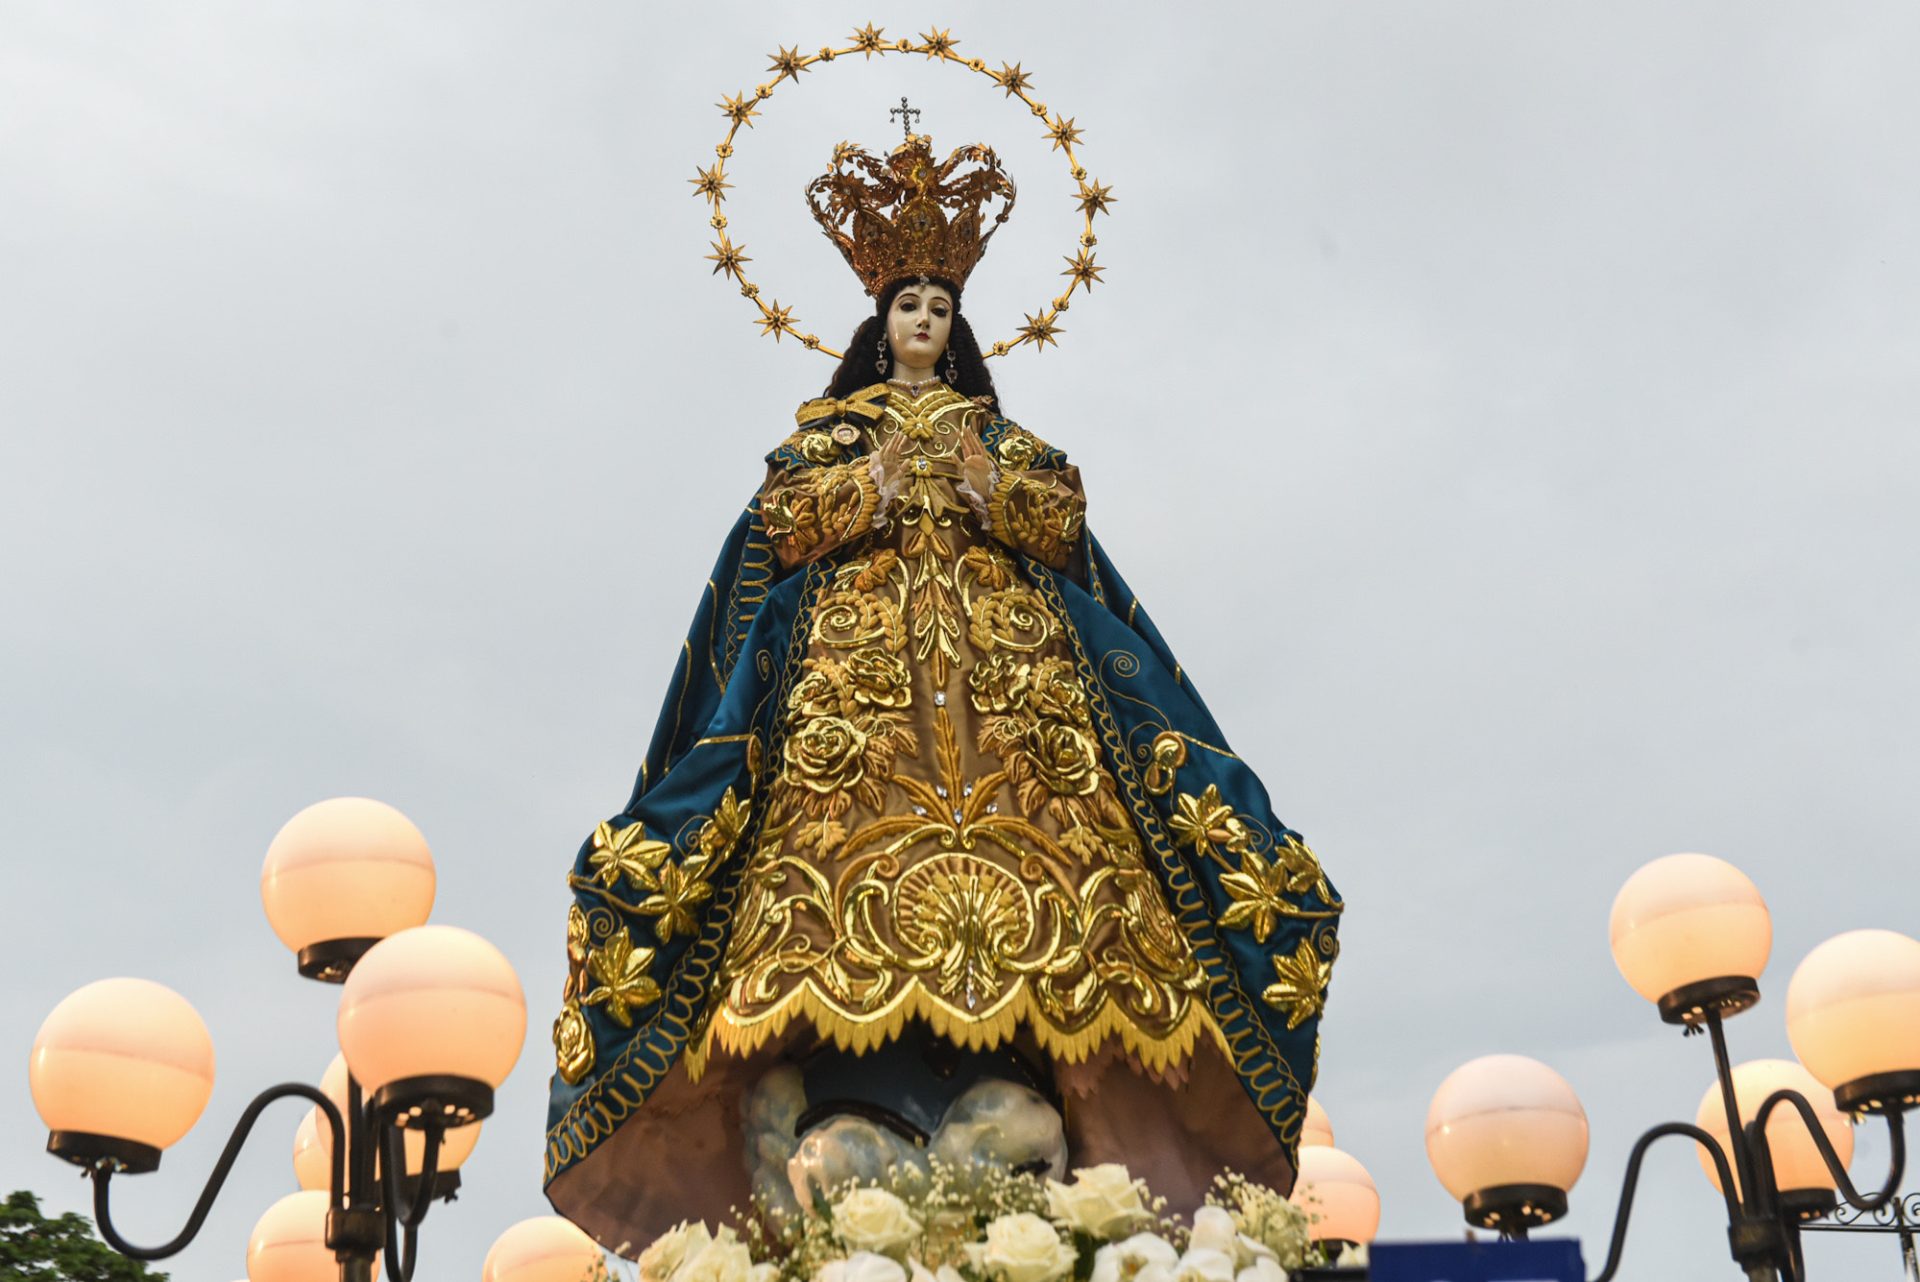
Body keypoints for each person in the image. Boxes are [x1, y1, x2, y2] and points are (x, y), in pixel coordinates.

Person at [543, 130, 1342, 1251]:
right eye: (907, 303)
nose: (923, 320)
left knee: (1056, 892)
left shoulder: (1006, 441)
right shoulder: (824, 439)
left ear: (956, 325)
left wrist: (989, 487)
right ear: (880, 323)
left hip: (1012, 703)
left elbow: (1064, 529)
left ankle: (1021, 1107)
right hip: (854, 708)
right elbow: (779, 531)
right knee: (825, 871)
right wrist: (864, 487)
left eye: (938, 305)